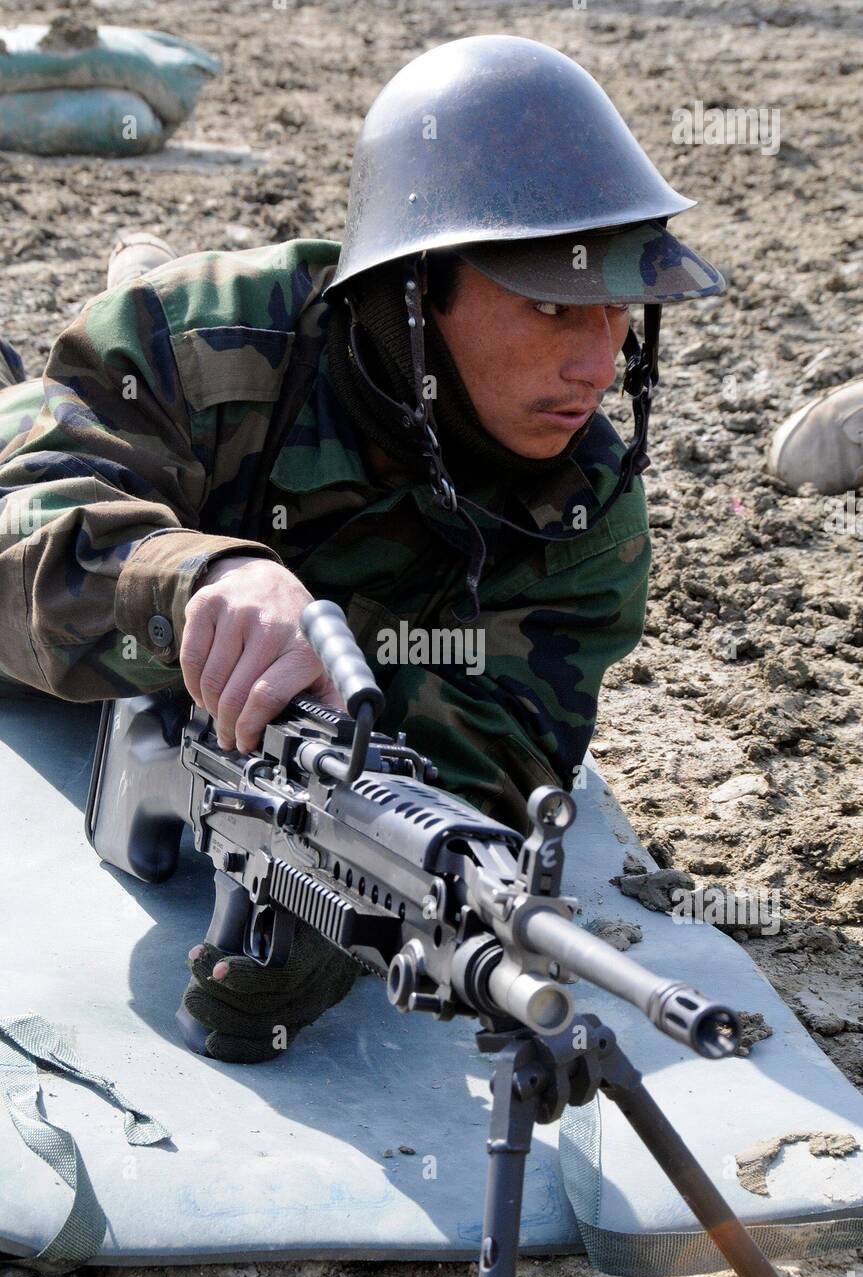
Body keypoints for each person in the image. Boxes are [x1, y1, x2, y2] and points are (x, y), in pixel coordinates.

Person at [0, 36, 725, 1062]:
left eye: (618, 309)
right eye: (552, 306)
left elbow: (488, 748)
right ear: (415, 289)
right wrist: (197, 577)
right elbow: (20, 524)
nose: (597, 362)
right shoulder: (196, 343)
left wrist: (343, 905)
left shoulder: (579, 508)